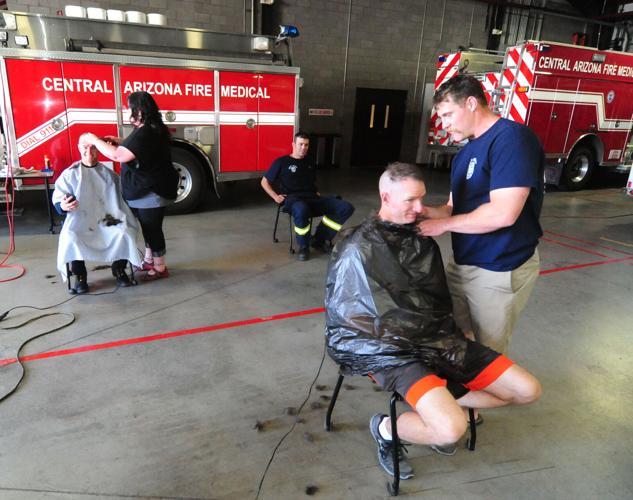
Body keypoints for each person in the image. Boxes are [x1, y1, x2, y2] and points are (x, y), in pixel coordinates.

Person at [325, 163, 541, 480]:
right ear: (386, 196)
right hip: (390, 352)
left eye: (422, 199)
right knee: (451, 428)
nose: (420, 208)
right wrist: (407, 339)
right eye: (411, 200)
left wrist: (445, 334)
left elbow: (435, 298)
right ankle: (386, 428)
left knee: (527, 391)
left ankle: (446, 399)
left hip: (437, 338)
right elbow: (350, 319)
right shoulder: (356, 248)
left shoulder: (420, 237)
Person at [418, 74, 544, 355]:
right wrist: (422, 212)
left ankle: (479, 397)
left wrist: (443, 226)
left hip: (498, 267)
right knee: (458, 337)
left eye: (449, 114)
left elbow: (503, 213)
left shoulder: (510, 140)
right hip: (463, 262)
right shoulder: (465, 153)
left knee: (488, 353)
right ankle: (462, 392)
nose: (444, 124)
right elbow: (453, 207)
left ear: (472, 103)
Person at [84, 91, 179, 280]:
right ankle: (149, 260)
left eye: (130, 108)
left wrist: (93, 140)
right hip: (151, 187)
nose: (128, 112)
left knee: (152, 228)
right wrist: (120, 141)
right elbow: (135, 147)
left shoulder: (146, 132)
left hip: (151, 190)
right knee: (148, 227)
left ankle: (160, 268)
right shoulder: (151, 128)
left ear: (139, 110)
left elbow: (118, 156)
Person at [52, 133, 142, 293]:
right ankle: (80, 276)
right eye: (85, 147)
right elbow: (58, 198)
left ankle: (119, 269)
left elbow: (122, 198)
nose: (89, 151)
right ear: (79, 149)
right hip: (81, 220)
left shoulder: (110, 175)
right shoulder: (70, 174)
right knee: (71, 236)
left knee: (124, 232)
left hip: (108, 219)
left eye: (93, 147)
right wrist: (63, 206)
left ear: (99, 150)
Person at [261, 132, 354, 261]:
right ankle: (303, 246)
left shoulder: (310, 162)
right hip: (292, 200)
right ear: (293, 145)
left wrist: (316, 192)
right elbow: (264, 181)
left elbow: (309, 182)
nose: (303, 147)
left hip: (312, 198)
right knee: (302, 209)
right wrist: (275, 196)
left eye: (306, 145)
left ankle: (319, 239)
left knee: (345, 207)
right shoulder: (281, 162)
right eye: (300, 144)